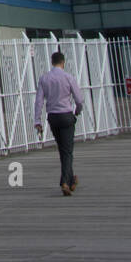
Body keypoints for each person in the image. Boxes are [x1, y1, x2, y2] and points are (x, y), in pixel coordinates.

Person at [34, 50, 84, 195]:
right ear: (63, 62)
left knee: (63, 149)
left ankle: (71, 179)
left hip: (53, 117)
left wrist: (37, 120)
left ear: (52, 62)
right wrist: (77, 111)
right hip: (66, 116)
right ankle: (65, 182)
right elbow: (79, 100)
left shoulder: (44, 78)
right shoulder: (68, 77)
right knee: (68, 151)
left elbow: (38, 102)